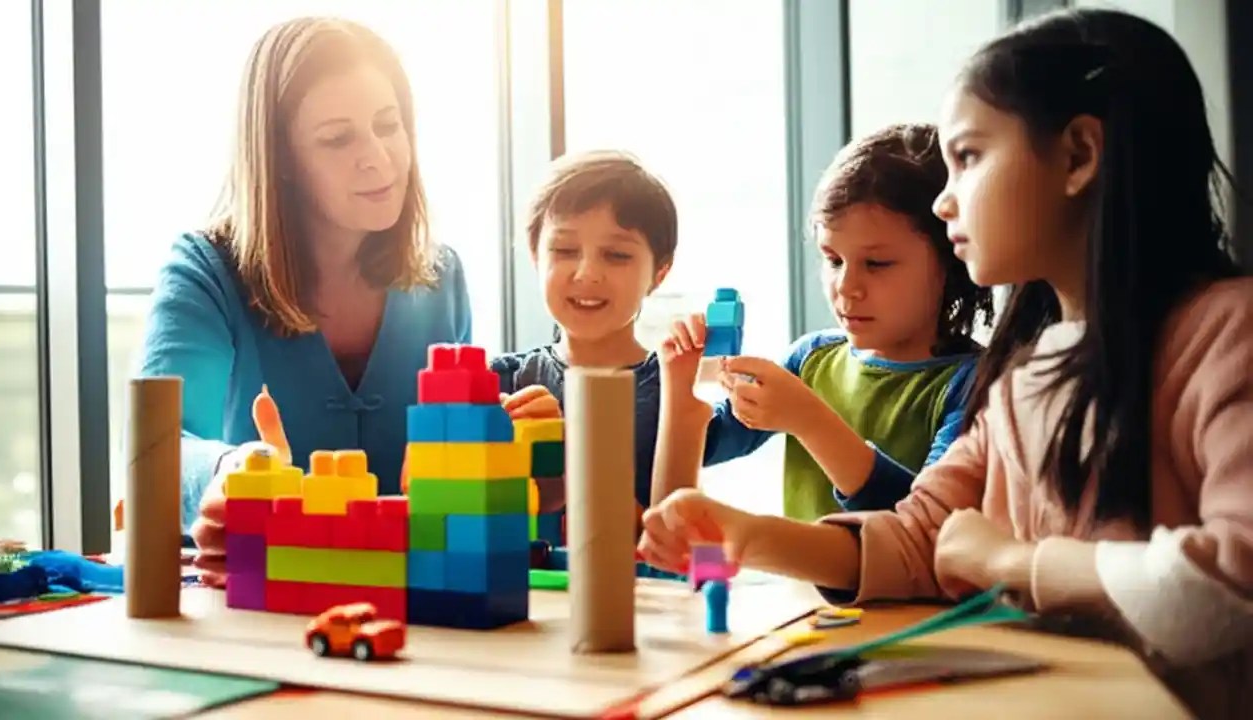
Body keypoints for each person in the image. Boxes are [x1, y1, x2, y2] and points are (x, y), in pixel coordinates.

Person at [639, 9, 1252, 718]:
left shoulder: (1226, 332)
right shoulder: (1022, 377)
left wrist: (1011, 563)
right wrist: (745, 535)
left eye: (969, 157)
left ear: (1079, 156)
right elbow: (916, 540)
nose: (943, 198)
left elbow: (1232, 584)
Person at [136, 17, 472, 585]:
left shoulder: (443, 278)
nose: (378, 157)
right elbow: (162, 447)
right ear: (281, 159)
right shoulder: (205, 271)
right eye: (338, 139)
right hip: (249, 593)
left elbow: (457, 461)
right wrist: (233, 469)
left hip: (411, 596)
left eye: (388, 125)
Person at [652, 123, 993, 519]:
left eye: (876, 263)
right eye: (833, 260)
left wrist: (811, 421)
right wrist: (680, 385)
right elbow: (710, 446)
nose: (846, 286)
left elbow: (926, 523)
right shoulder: (810, 359)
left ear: (952, 259)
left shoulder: (976, 385)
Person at [489, 150, 678, 512]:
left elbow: (674, 527)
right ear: (535, 257)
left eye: (617, 255)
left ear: (659, 273)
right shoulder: (501, 381)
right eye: (564, 250)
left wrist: (571, 468)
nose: (587, 273)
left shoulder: (673, 393)